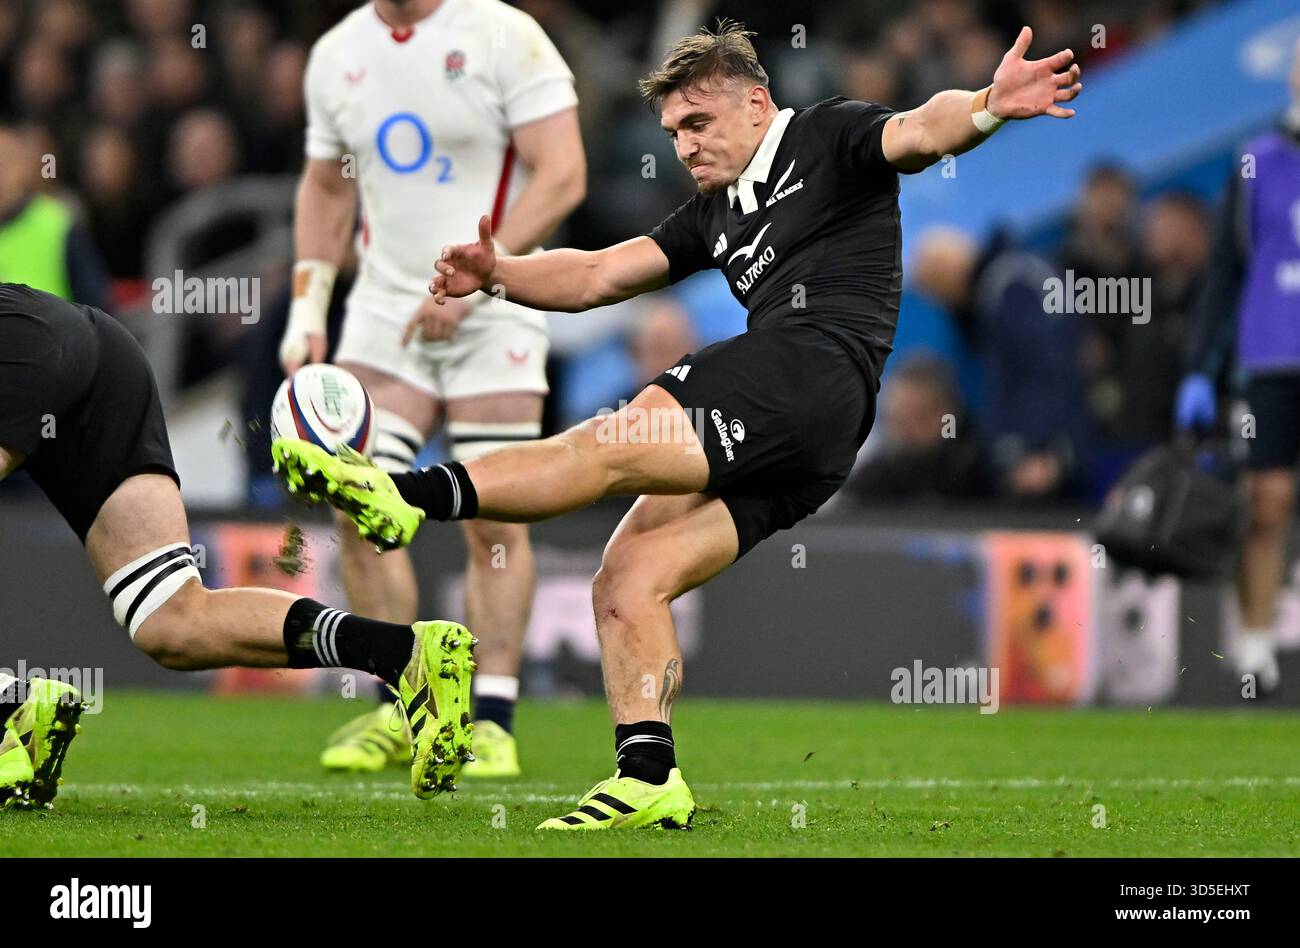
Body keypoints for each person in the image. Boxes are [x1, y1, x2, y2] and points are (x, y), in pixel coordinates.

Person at [274, 20, 1081, 830]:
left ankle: (406, 493)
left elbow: (917, 130)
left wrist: (987, 105)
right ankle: (649, 773)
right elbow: (597, 274)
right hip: (817, 443)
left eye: (699, 123)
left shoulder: (828, 135)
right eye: (673, 133)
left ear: (757, 104)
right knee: (628, 575)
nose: (686, 146)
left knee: (610, 446)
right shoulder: (712, 212)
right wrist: (500, 275)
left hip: (806, 371)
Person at [0, 282, 475, 810]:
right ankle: (404, 653)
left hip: (21, 344)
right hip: (97, 349)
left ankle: (8, 710)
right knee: (172, 619)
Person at [278, 0, 585, 778]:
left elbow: (563, 172)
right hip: (387, 310)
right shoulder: (338, 51)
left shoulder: (503, 32)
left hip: (500, 303)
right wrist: (309, 306)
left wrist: (486, 279)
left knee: (493, 519)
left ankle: (493, 718)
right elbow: (325, 189)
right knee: (357, 496)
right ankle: (400, 700)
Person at [1175, 37, 1300, 694]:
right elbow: (1225, 268)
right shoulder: (1256, 161)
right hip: (1273, 354)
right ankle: (1254, 648)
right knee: (1268, 501)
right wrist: (1201, 366)